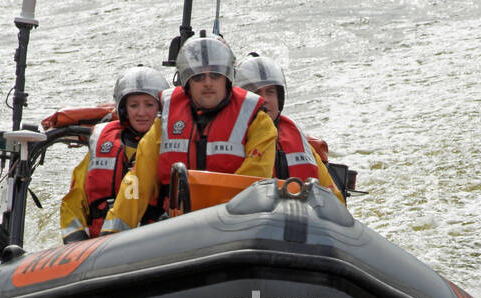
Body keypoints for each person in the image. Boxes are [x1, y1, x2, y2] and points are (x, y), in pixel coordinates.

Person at [101, 36, 277, 234]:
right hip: (176, 227)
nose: (208, 83)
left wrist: (213, 219)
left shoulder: (257, 121)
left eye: (215, 75)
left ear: (227, 78)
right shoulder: (165, 121)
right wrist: (111, 235)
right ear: (187, 81)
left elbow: (254, 177)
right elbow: (139, 181)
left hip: (234, 226)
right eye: (199, 77)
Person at [58, 66, 167, 242]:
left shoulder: (166, 146)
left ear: (160, 108)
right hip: (96, 246)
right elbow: (74, 201)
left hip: (150, 241)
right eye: (133, 105)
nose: (141, 113)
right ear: (123, 109)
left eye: (149, 105)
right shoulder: (103, 142)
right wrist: (75, 240)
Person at [235, 52, 344, 202]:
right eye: (256, 93)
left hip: (301, 220)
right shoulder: (231, 140)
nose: (265, 99)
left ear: (279, 98)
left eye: (270, 92)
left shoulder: (297, 138)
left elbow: (335, 198)